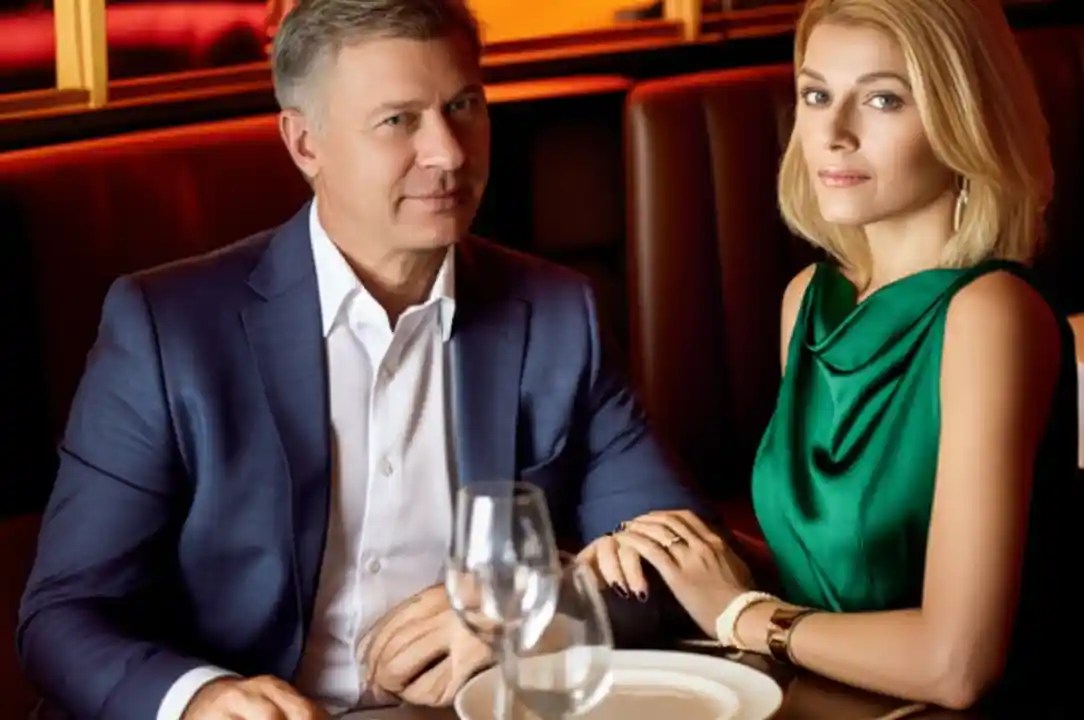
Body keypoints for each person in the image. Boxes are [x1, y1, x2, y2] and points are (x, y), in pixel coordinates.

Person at [17, 0, 704, 718]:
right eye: (398, 120)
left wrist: (527, 615)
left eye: (464, 105)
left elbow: (682, 559)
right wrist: (197, 700)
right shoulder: (168, 330)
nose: (448, 152)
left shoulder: (560, 313)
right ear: (305, 144)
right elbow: (65, 615)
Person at [587, 0, 1075, 710]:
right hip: (821, 697)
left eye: (882, 99)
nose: (833, 134)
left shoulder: (990, 315)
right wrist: (676, 552)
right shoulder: (809, 302)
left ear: (963, 118)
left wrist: (740, 614)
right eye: (817, 95)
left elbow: (957, 665)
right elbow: (832, 573)